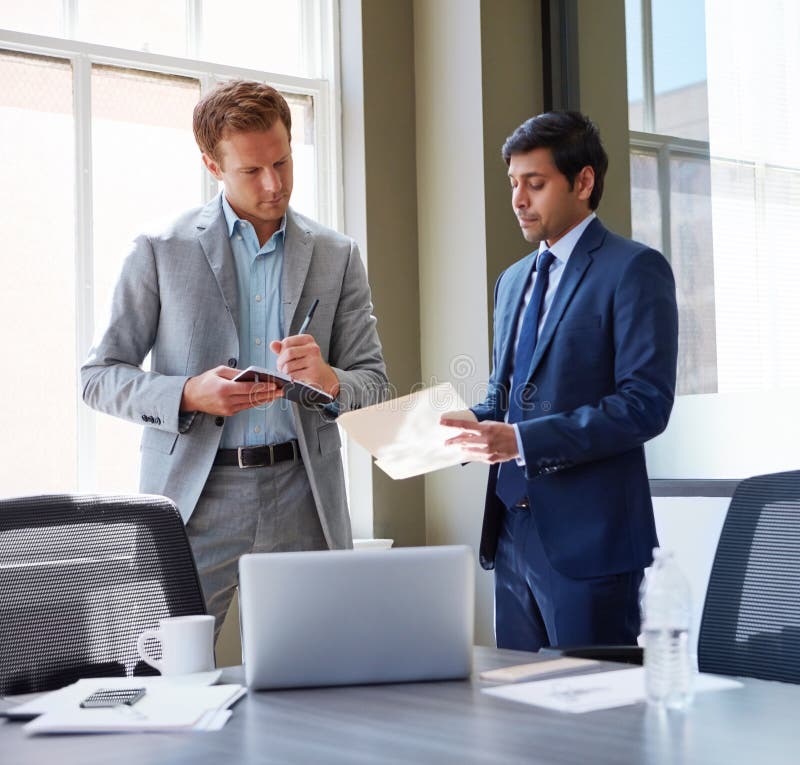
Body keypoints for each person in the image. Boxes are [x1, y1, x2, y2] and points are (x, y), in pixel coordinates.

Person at [82, 80, 387, 636]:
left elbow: (375, 386)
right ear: (211, 164)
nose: (274, 184)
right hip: (197, 498)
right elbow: (98, 378)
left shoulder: (337, 254)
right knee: (166, 672)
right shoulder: (158, 249)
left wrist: (330, 380)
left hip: (305, 493)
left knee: (312, 678)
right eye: (252, 171)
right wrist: (188, 393)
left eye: (283, 162)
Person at [441, 111, 678, 651]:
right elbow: (502, 394)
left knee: (596, 720)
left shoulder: (634, 270)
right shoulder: (512, 282)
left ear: (584, 181)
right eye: (513, 184)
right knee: (520, 717)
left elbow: (645, 405)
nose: (518, 200)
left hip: (590, 542)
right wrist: (469, 424)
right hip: (509, 534)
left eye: (535, 183)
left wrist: (524, 441)